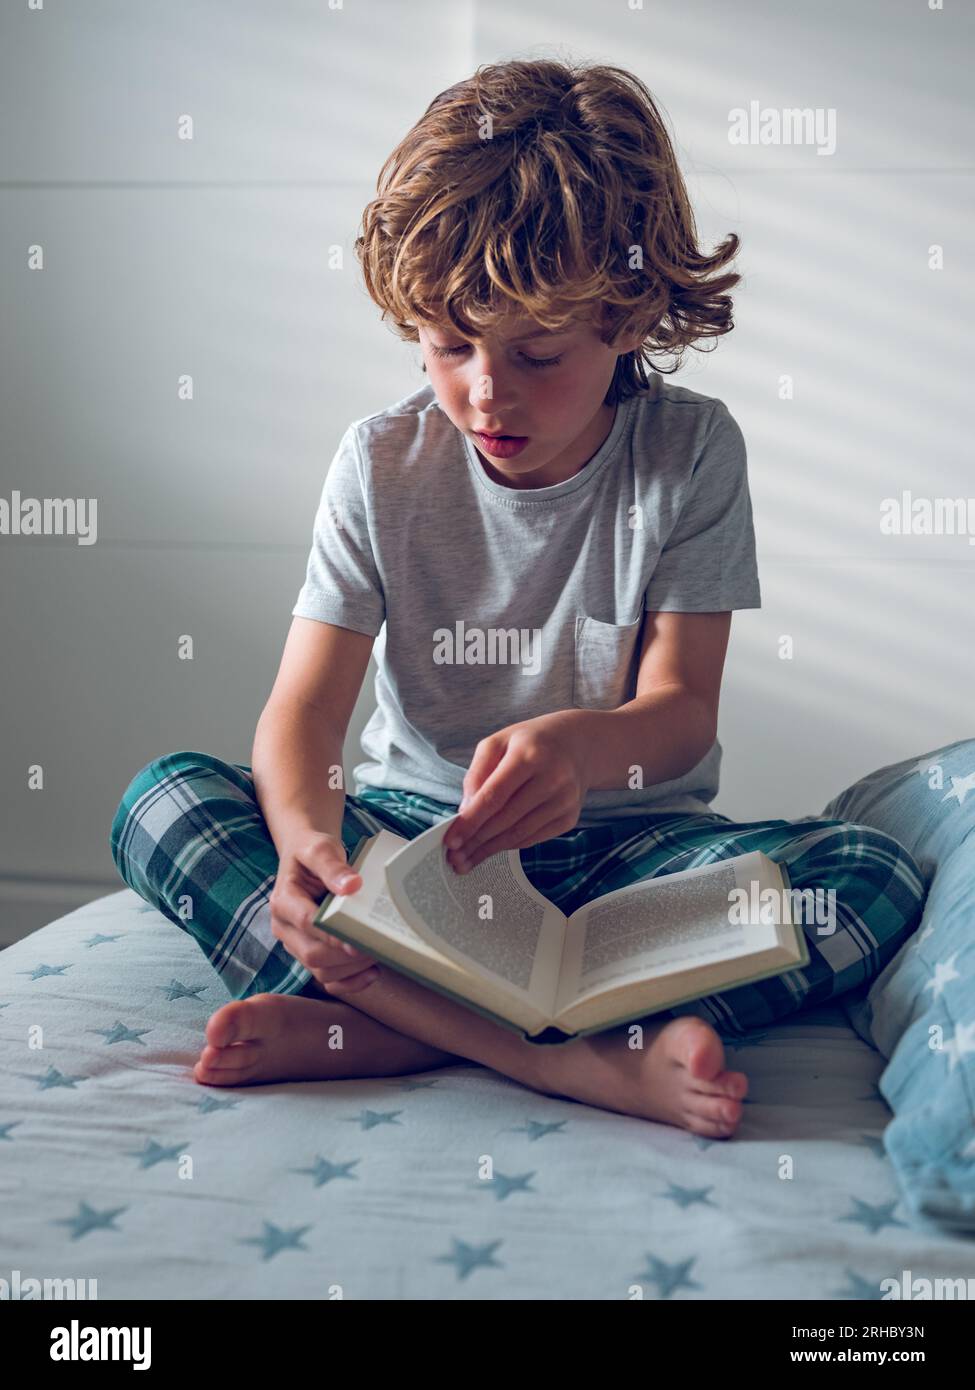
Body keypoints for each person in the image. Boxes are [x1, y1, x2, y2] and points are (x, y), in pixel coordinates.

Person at [110, 59, 925, 1138]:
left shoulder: (690, 454)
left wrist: (581, 753)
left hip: (631, 857)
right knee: (163, 800)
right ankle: (573, 1059)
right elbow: (303, 711)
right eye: (450, 345)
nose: (486, 390)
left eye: (537, 353)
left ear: (628, 321)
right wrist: (310, 843)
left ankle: (396, 1027)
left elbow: (682, 711)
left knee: (863, 873)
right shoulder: (380, 464)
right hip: (417, 851)